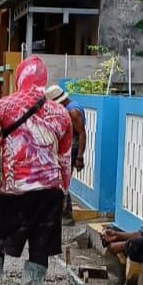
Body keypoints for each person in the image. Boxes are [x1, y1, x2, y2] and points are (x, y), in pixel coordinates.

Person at [0, 55, 73, 285]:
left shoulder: (4, 106)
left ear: (20, 78)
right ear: (44, 81)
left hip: (15, 191)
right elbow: (65, 159)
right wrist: (64, 191)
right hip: (49, 192)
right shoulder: (61, 114)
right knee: (40, 249)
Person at [45, 85, 87, 221]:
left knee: (62, 180)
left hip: (72, 149)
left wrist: (80, 157)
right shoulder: (71, 107)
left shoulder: (73, 112)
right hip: (70, 147)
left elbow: (81, 133)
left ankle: (66, 213)